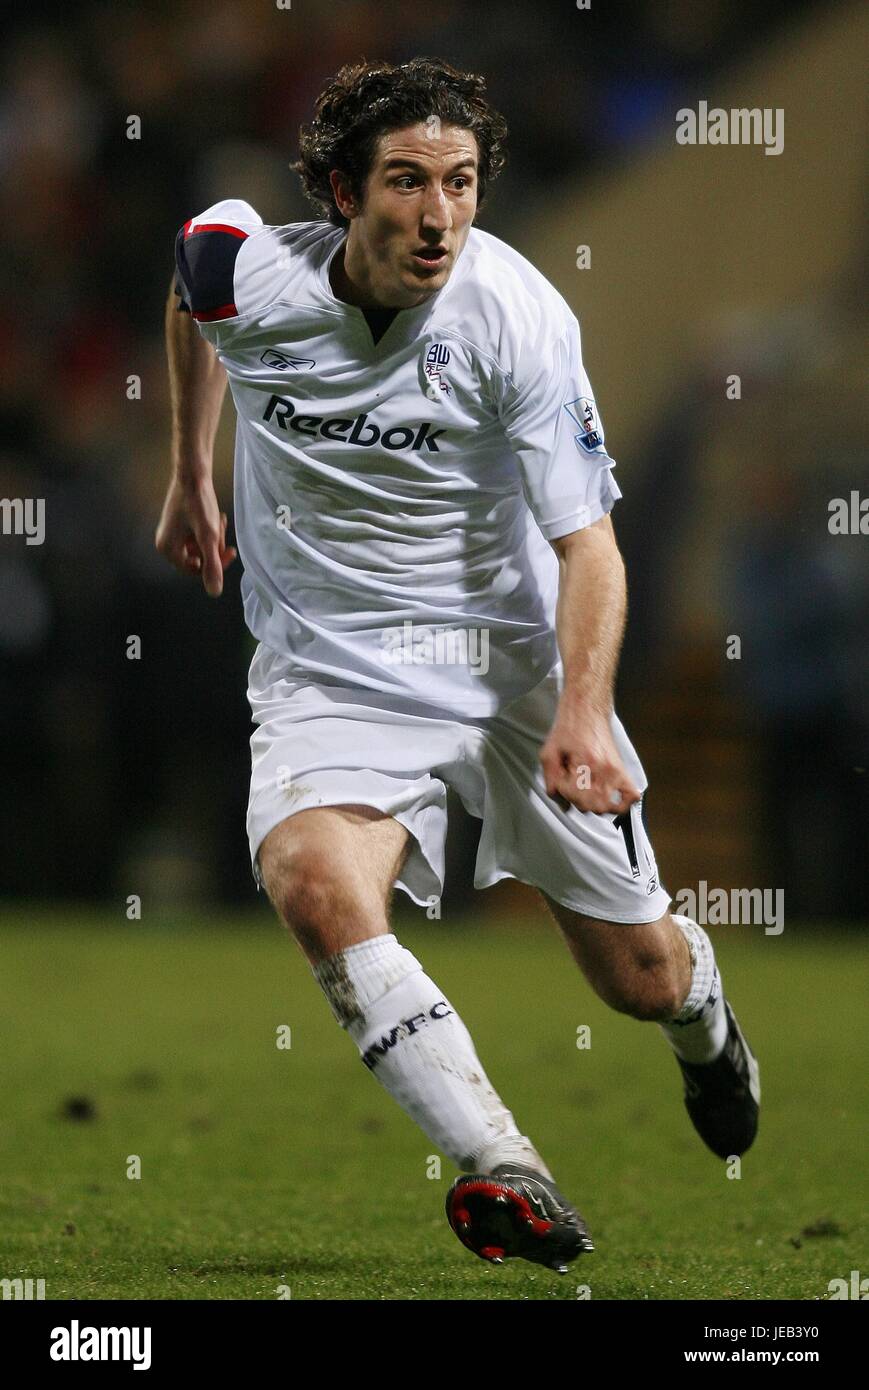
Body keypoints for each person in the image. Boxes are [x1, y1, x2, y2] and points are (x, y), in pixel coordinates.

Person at [157, 57, 759, 1273]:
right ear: (340, 190)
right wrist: (190, 466)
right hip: (331, 670)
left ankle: (702, 1018)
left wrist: (583, 712)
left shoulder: (516, 319)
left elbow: (589, 545)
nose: (438, 215)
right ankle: (506, 1166)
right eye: (406, 182)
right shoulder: (241, 269)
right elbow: (188, 300)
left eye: (462, 182)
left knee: (632, 978)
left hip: (506, 667)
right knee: (315, 885)